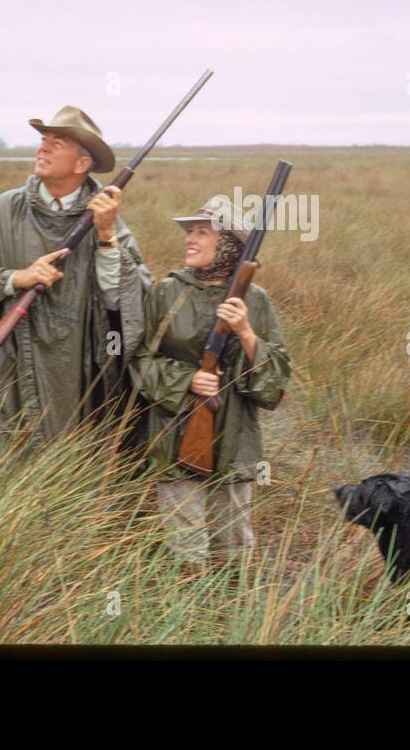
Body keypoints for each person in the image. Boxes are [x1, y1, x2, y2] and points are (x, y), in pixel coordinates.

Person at [0, 106, 152, 458]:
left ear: (82, 164)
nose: (42, 148)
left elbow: (134, 302)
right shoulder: (4, 209)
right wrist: (16, 278)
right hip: (11, 362)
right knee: (9, 459)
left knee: (72, 466)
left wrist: (106, 237)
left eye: (57, 143)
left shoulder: (108, 220)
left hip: (79, 373)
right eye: (43, 140)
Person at [133, 195, 291, 560]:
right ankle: (186, 616)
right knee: (186, 550)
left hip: (235, 440)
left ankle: (229, 615)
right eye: (190, 231)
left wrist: (247, 333)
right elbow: (137, 360)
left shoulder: (256, 300)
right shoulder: (166, 292)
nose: (190, 239)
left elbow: (275, 385)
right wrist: (186, 380)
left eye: (203, 233)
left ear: (230, 246)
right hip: (173, 437)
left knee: (233, 550)